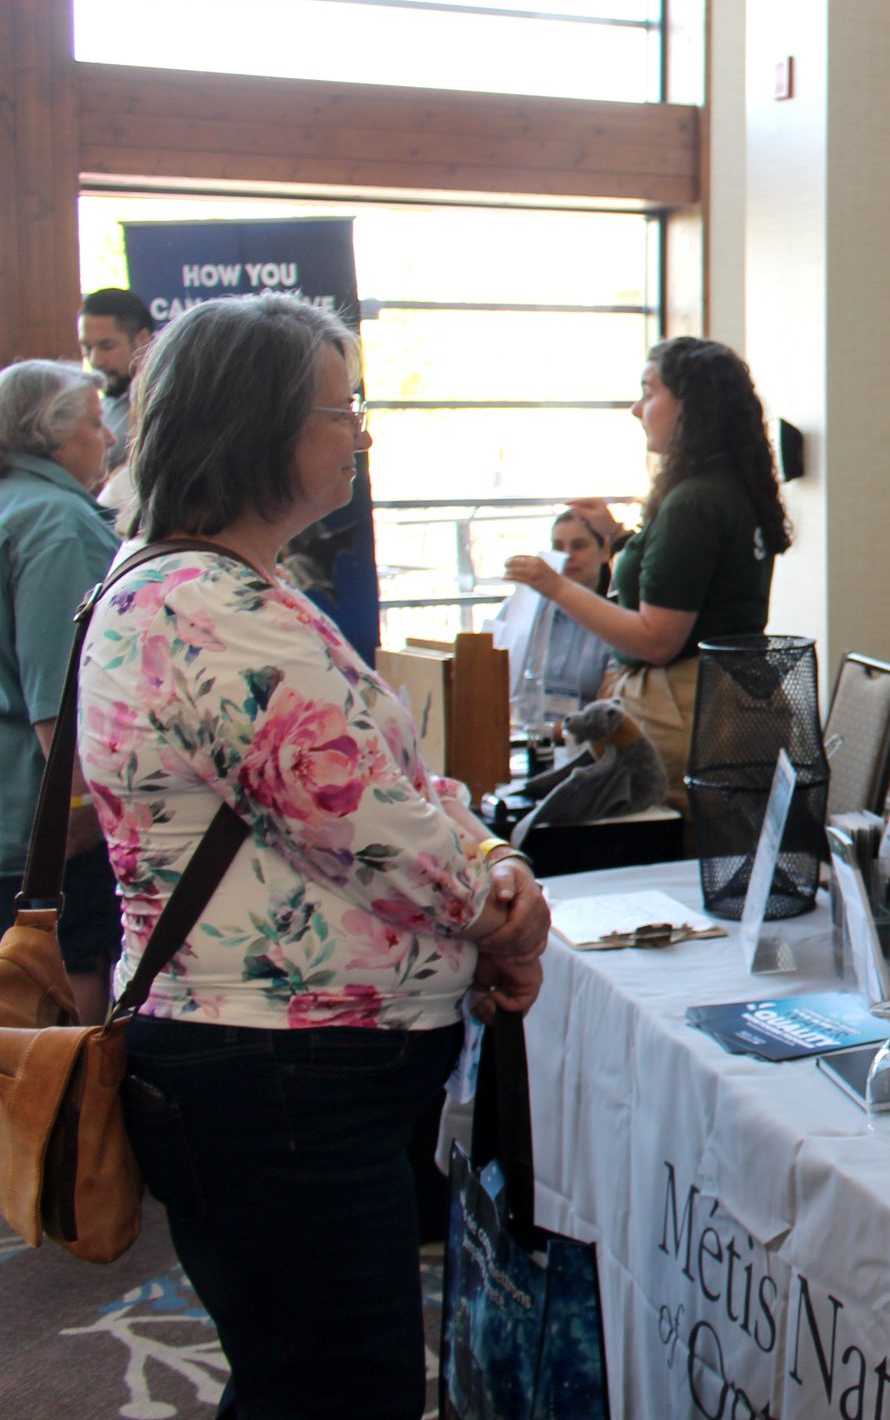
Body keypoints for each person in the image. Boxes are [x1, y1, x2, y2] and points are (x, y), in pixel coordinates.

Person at [78, 294, 552, 1419]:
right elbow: (371, 829)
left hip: (283, 1065)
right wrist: (500, 909)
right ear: (259, 428)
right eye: (341, 410)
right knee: (337, 1387)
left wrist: (492, 851)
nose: (360, 434)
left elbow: (398, 783)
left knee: (310, 1377)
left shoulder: (227, 586)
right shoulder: (208, 606)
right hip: (275, 1072)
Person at [504, 337, 791, 809]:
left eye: (648, 391)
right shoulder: (729, 487)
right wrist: (617, 538)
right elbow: (685, 584)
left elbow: (656, 640)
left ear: (690, 404)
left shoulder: (692, 503)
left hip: (685, 713)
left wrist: (554, 586)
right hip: (731, 703)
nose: (637, 408)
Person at [0, 360, 120, 1022]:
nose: (110, 437)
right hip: (41, 831)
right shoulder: (56, 524)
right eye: (95, 423)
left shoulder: (12, 505)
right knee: (61, 1029)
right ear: (48, 433)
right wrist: (87, 808)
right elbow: (61, 701)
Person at [501, 508, 620, 725]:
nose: (567, 555)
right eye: (558, 547)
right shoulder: (522, 610)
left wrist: (553, 732)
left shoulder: (617, 620)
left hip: (586, 739)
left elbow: (610, 708)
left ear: (604, 551)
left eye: (578, 546)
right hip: (519, 735)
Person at [76, 285, 155, 471]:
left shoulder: (166, 408)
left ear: (143, 340)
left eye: (107, 346)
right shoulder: (95, 406)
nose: (95, 360)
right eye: (87, 347)